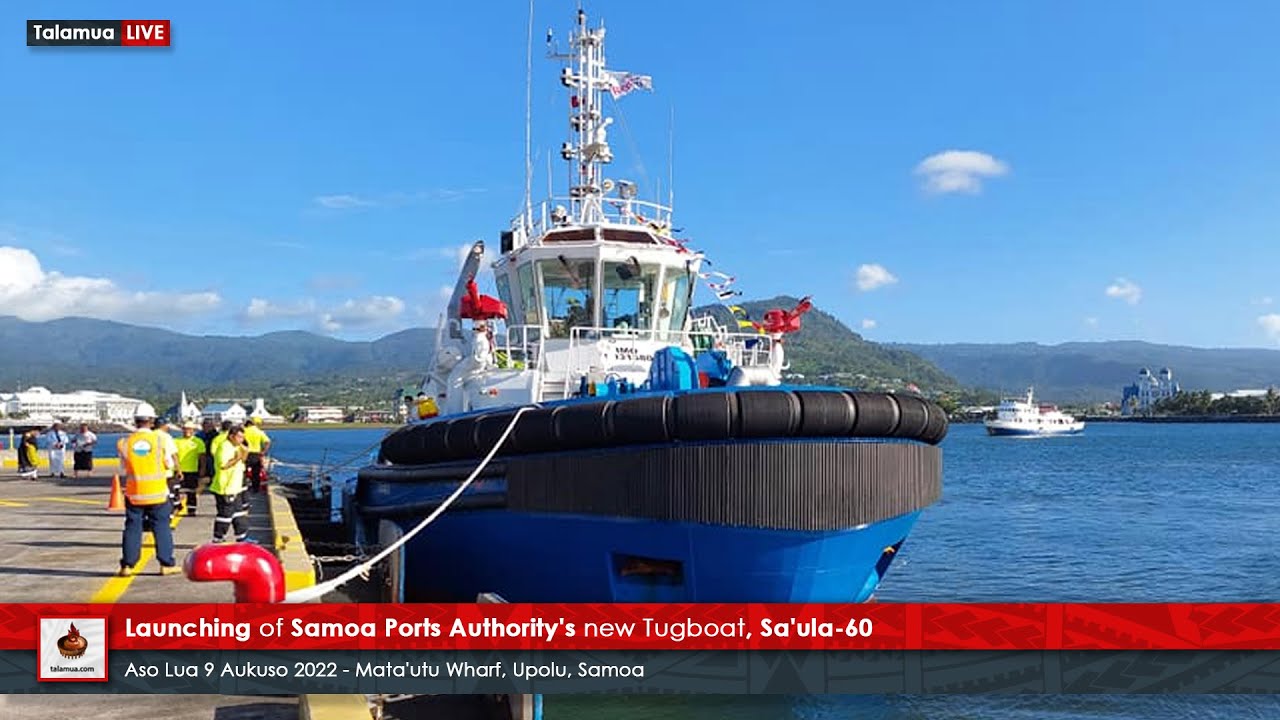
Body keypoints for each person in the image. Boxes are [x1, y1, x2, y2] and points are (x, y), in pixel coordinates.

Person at [116, 403, 180, 577]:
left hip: (134, 492)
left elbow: (124, 467)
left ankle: (127, 566)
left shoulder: (124, 443)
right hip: (158, 492)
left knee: (132, 527)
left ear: (135, 421)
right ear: (152, 421)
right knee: (161, 527)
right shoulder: (161, 440)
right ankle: (166, 564)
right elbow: (170, 464)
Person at [210, 425, 251, 543]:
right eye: (239, 437)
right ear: (231, 436)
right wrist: (236, 459)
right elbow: (223, 465)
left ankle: (242, 537)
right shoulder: (225, 447)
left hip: (235, 487)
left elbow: (243, 460)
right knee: (225, 515)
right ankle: (218, 538)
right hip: (226, 488)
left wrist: (244, 452)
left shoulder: (236, 446)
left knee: (239, 513)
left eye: (243, 437)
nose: (241, 440)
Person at [174, 422, 207, 516]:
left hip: (192, 470)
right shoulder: (176, 441)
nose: (187, 431)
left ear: (193, 430)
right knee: (176, 491)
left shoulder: (198, 442)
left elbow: (202, 457)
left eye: (189, 429)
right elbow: (173, 455)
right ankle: (177, 506)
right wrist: (177, 469)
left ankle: (191, 510)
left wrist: (202, 470)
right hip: (179, 470)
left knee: (191, 492)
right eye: (185, 429)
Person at [243, 416, 271, 493]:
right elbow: (268, 442)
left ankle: (243, 487)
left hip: (245, 453)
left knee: (243, 472)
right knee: (256, 473)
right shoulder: (259, 432)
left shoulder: (243, 431)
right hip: (256, 454)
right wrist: (263, 451)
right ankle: (255, 489)